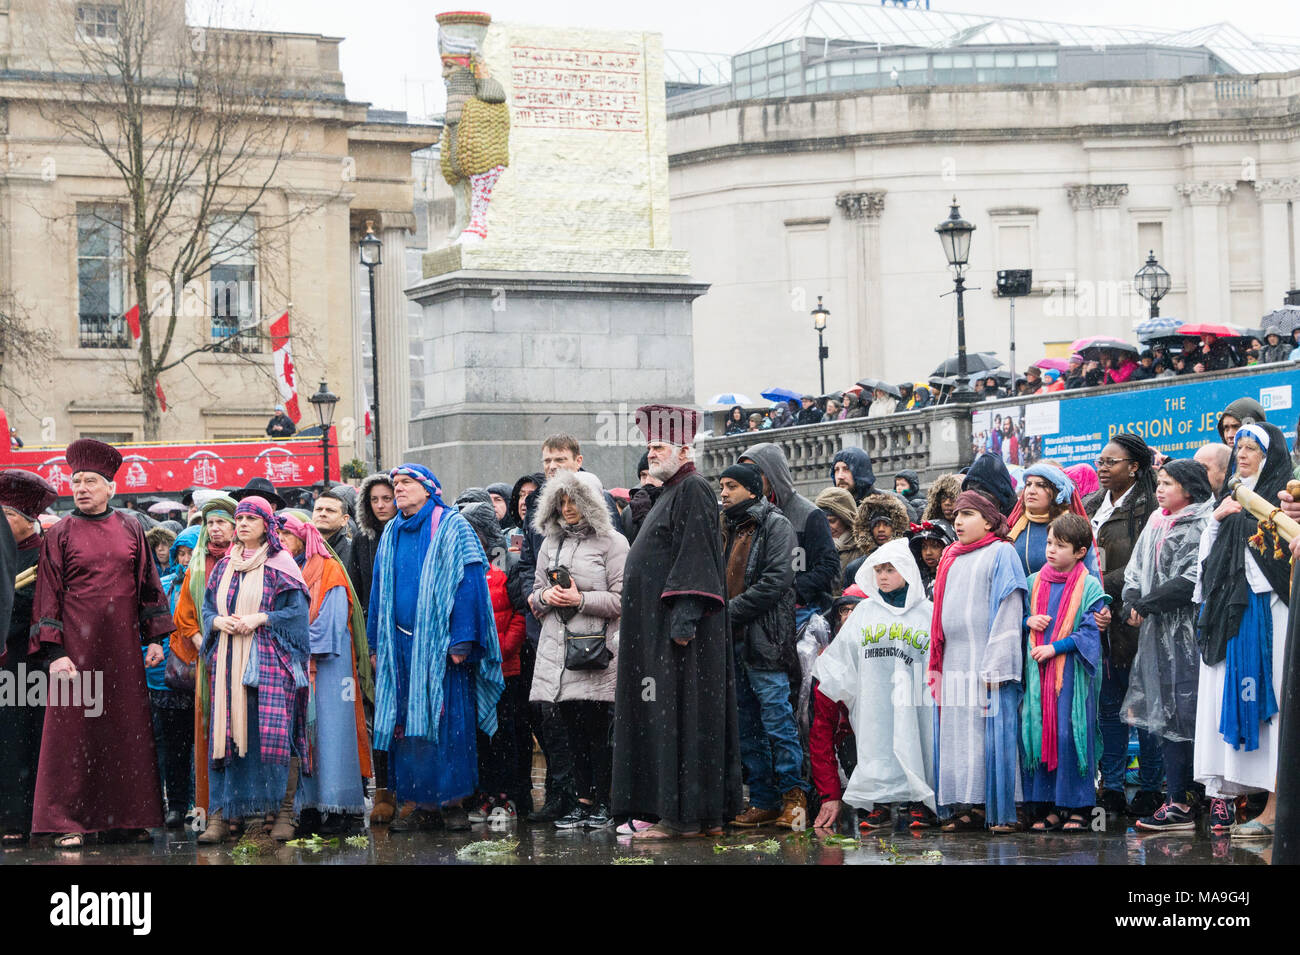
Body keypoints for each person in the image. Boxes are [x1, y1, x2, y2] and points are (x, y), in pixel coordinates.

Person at [29, 439, 174, 849]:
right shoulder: (60, 534)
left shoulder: (131, 527)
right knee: (72, 736)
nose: (81, 488)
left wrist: (157, 640)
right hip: (75, 653)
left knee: (125, 732)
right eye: (75, 481)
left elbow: (148, 586)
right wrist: (55, 653)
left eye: (90, 481)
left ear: (110, 487)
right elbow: (47, 596)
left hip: (124, 651)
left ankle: (129, 817)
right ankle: (67, 822)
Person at [612, 405, 742, 839]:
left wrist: (684, 621)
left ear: (684, 448)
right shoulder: (670, 491)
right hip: (658, 634)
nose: (651, 453)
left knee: (682, 722)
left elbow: (697, 558)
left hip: (679, 638)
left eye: (658, 446)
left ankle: (683, 818)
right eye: (648, 446)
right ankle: (683, 814)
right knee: (668, 721)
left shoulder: (694, 490)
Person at [368, 464, 504, 833]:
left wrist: (462, 638)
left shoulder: (452, 526)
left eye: (406, 484)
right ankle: (422, 802)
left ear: (429, 489)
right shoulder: (391, 531)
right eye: (395, 484)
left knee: (448, 724)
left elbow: (470, 581)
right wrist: (376, 643)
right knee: (408, 728)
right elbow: (379, 592)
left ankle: (453, 803)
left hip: (442, 648)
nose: (398, 490)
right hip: (399, 647)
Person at [1193, 422, 1293, 839]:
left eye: (1252, 448)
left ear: (1271, 457)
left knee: (1276, 706)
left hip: (1273, 614)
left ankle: (1276, 802)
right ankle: (1236, 798)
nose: (1244, 454)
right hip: (1232, 615)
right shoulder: (1232, 499)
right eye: (1239, 447)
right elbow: (1207, 562)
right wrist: (1216, 521)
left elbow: (1282, 563)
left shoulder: (1281, 502)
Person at [197, 496, 310, 843]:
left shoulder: (282, 565)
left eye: (251, 518)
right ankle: (223, 812)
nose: (243, 523)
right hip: (228, 663)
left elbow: (297, 616)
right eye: (240, 518)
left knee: (272, 737)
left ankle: (279, 813)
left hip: (270, 665)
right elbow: (205, 609)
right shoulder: (223, 566)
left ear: (267, 525)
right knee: (227, 735)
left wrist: (261, 618)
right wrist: (217, 621)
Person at [528, 470, 628, 830]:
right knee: (571, 732)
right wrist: (545, 597)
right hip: (558, 651)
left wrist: (581, 599)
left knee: (598, 732)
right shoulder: (548, 543)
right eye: (562, 501)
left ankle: (604, 801)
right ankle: (582, 800)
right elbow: (535, 593)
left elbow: (622, 600)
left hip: (596, 651)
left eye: (574, 500)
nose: (568, 508)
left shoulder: (612, 542)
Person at [814, 539, 936, 832]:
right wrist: (835, 680)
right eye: (878, 570)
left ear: (906, 570)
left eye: (890, 569)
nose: (882, 576)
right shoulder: (865, 612)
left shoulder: (926, 611)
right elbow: (843, 653)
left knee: (914, 743)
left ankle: (920, 802)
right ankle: (880, 804)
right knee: (877, 745)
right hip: (875, 696)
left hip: (914, 697)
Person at [1121, 460, 1215, 831]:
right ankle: (1176, 798)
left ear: (1189, 489)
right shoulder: (1157, 521)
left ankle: (1195, 798)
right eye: (1159, 482)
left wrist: (1148, 604)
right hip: (1157, 636)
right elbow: (1135, 570)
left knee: (1191, 713)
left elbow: (1195, 578)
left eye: (1168, 483)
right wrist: (1130, 600)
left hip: (1190, 634)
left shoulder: (1204, 523)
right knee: (1167, 715)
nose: (1159, 490)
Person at [928, 490, 1027, 833]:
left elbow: (1010, 607)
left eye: (968, 514)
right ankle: (968, 805)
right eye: (956, 514)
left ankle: (997, 809)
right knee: (960, 736)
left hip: (986, 659)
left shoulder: (1002, 552)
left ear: (988, 520)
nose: (958, 521)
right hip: (955, 659)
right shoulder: (951, 556)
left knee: (987, 734)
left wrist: (997, 662)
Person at [719, 463, 807, 830]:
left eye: (732, 486)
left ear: (753, 490)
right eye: (721, 486)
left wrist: (726, 613)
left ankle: (794, 800)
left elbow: (775, 582)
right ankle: (764, 800)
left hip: (765, 642)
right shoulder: (725, 525)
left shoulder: (776, 524)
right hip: (733, 643)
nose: (723, 492)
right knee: (746, 726)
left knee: (777, 721)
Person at [278, 512, 373, 835]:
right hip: (299, 667)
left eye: (286, 535)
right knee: (306, 740)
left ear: (303, 537)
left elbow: (330, 629)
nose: (280, 542)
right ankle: (309, 807)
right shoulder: (285, 571)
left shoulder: (329, 569)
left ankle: (340, 809)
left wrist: (286, 640)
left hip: (331, 670)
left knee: (335, 738)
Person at [1084, 433, 1160, 818]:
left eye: (1111, 462)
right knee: (1109, 709)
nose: (1102, 467)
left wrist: (1099, 587)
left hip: (1135, 618)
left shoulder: (1150, 506)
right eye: (1099, 461)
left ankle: (1151, 789)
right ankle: (1111, 787)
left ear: (1133, 466)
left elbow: (1142, 564)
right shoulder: (1091, 505)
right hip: (1099, 621)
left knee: (1145, 710)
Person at [1020, 513, 1107, 832]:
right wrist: (1027, 622)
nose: (1051, 550)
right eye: (1049, 543)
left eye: (1060, 545)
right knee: (1042, 732)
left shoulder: (1090, 585)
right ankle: (1053, 806)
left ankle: (1081, 808)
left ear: (1081, 552)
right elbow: (1015, 619)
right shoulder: (1033, 582)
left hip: (1072, 676)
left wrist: (1054, 648)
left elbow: (1089, 633)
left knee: (1071, 734)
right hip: (1038, 677)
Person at [458, 501, 527, 822]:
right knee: (480, 739)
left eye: (474, 531)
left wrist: (501, 648)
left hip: (505, 670)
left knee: (504, 737)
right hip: (472, 670)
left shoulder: (506, 570)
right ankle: (485, 794)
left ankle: (508, 796)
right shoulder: (460, 571)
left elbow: (518, 617)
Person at [169, 494, 236, 826]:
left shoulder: (244, 559)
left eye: (222, 522)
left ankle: (242, 810)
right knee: (208, 734)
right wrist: (204, 644)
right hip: (207, 660)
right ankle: (211, 810)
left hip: (241, 656)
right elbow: (184, 615)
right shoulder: (196, 564)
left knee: (240, 730)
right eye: (210, 523)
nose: (215, 529)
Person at [0, 471, 51, 844]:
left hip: (29, 664)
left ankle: (25, 817)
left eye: (9, 515)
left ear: (28, 519)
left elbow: (35, 610)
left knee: (25, 739)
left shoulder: (44, 556)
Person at [741, 442, 840, 620]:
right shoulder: (744, 515)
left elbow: (828, 567)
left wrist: (793, 592)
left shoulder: (810, 514)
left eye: (756, 472)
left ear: (773, 474)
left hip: (799, 614)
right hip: (755, 612)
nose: (749, 479)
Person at [149, 524, 200, 829]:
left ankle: (203, 804)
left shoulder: (211, 584)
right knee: (175, 747)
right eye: (180, 553)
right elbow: (152, 632)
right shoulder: (164, 586)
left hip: (204, 678)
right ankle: (178, 805)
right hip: (168, 681)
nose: (184, 559)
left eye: (190, 552)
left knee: (206, 747)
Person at [1006, 463, 1096, 577]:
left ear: (1056, 491)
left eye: (1040, 485)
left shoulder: (1074, 528)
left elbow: (1092, 578)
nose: (1031, 491)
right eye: (1028, 484)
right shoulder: (1015, 528)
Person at [814, 487, 864, 595]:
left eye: (832, 521)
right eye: (822, 521)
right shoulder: (814, 546)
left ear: (846, 519)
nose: (827, 526)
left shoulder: (863, 547)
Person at [908, 519, 955, 600]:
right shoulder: (914, 578)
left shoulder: (955, 579)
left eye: (935, 546)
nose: (928, 552)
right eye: (924, 547)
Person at [313, 487, 354, 573]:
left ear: (344, 519)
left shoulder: (353, 552)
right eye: (319, 509)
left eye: (330, 510)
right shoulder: (304, 549)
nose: (322, 514)